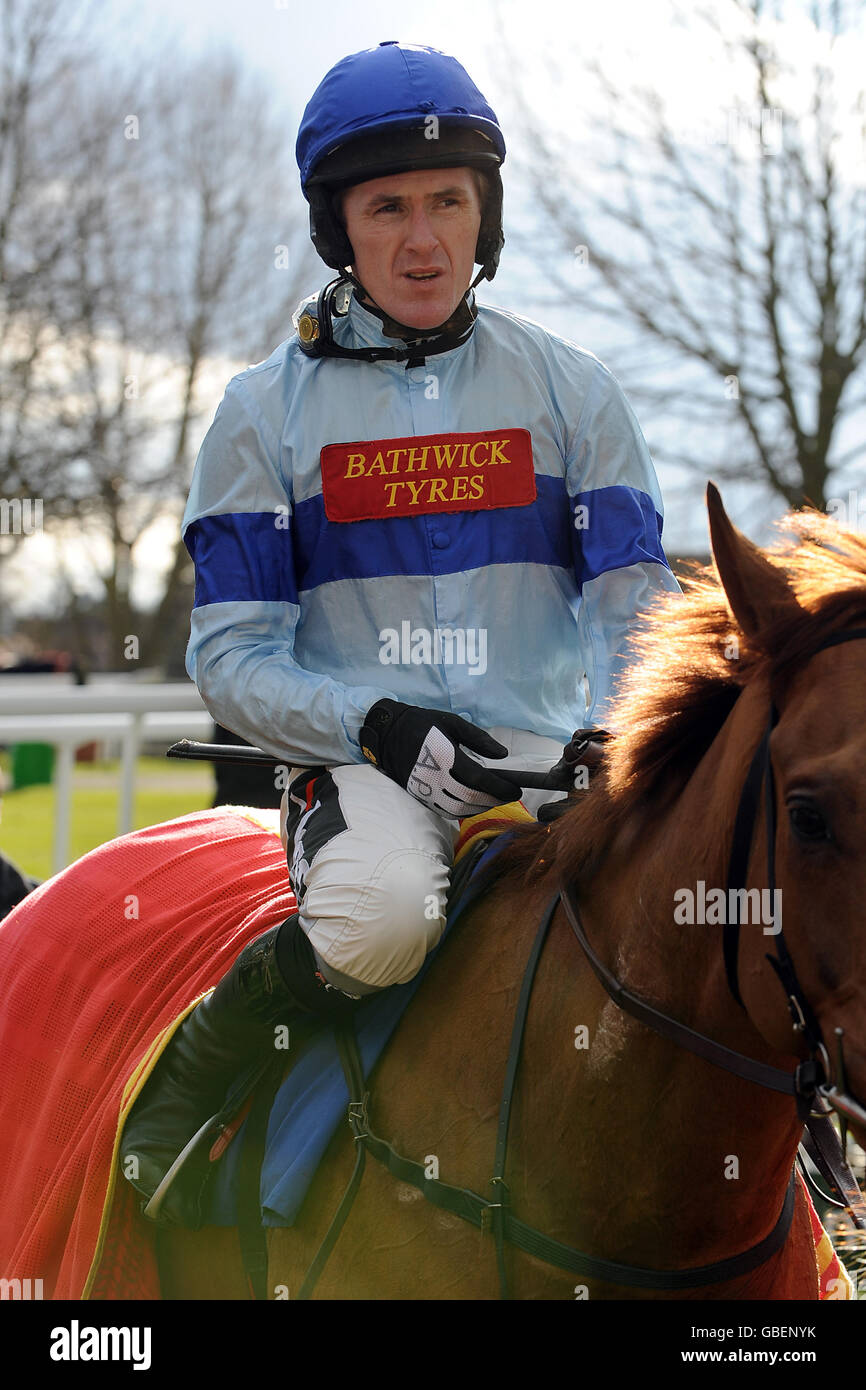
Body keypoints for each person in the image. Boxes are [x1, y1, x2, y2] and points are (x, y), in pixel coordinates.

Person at [121, 41, 680, 1225]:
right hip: (367, 776)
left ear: (486, 214)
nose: (423, 239)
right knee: (380, 922)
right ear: (338, 228)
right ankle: (194, 1083)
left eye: (448, 202)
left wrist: (612, 731)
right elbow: (230, 655)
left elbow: (638, 616)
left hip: (547, 763)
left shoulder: (575, 394)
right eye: (387, 208)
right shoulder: (257, 415)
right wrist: (369, 724)